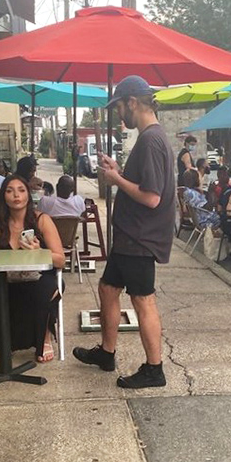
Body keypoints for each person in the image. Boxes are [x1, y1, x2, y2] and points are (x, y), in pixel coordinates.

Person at [73, 75, 175, 389]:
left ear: (132, 102)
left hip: (140, 238)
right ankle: (106, 352)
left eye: (119, 107)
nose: (119, 114)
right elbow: (145, 186)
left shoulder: (150, 140)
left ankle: (154, 369)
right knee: (107, 289)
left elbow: (151, 196)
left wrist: (116, 181)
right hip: (130, 236)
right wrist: (117, 171)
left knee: (143, 300)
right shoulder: (148, 139)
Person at [0, 175, 65, 364]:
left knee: (40, 292)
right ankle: (2, 343)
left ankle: (44, 336)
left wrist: (40, 251)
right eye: (9, 191)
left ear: (28, 195)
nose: (16, 195)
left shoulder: (42, 220)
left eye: (21, 190)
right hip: (6, 278)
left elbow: (61, 260)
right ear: (3, 197)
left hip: (39, 277)